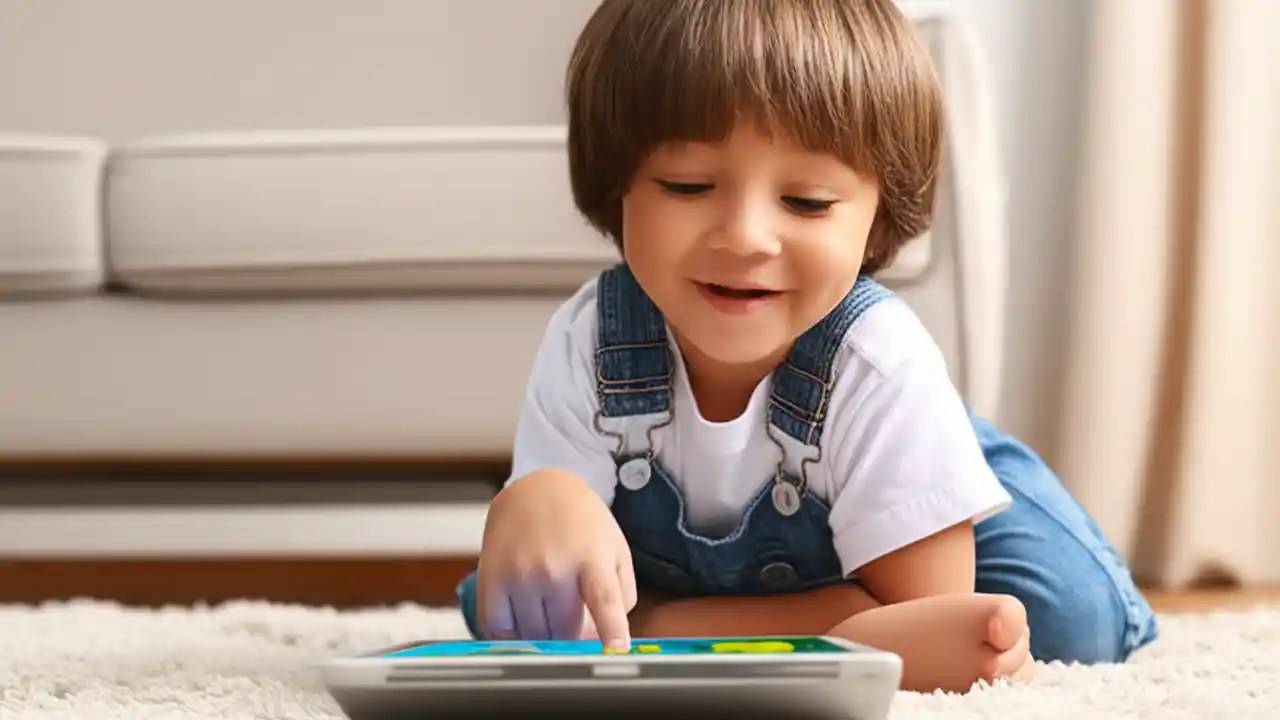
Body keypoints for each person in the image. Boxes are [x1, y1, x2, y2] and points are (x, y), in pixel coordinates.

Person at [456, 0, 1157, 693]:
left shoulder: (880, 364)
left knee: (1065, 619)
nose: (745, 237)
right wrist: (540, 499)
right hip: (775, 573)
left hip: (895, 460)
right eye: (688, 185)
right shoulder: (590, 340)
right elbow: (556, 603)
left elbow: (928, 619)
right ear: (619, 187)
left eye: (808, 202)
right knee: (507, 597)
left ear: (879, 215)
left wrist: (651, 626)